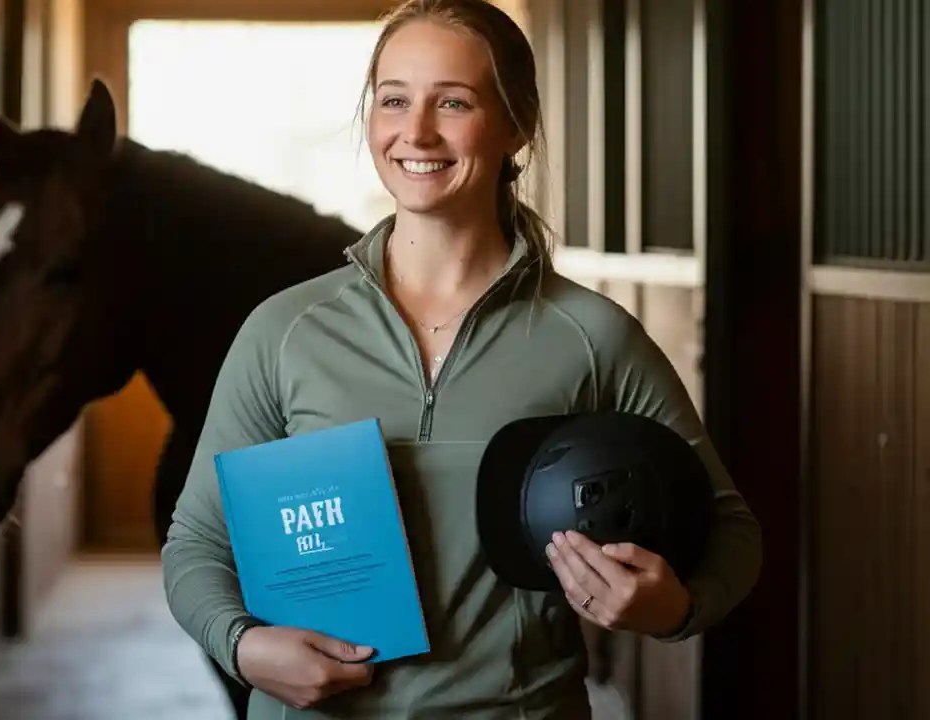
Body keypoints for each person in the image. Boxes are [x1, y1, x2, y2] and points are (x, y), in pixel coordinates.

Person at [161, 1, 762, 717]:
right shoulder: (285, 330)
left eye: (453, 101)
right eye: (394, 101)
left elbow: (731, 530)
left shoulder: (592, 336)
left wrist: (672, 607)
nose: (415, 132)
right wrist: (241, 646)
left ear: (515, 126)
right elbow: (196, 540)